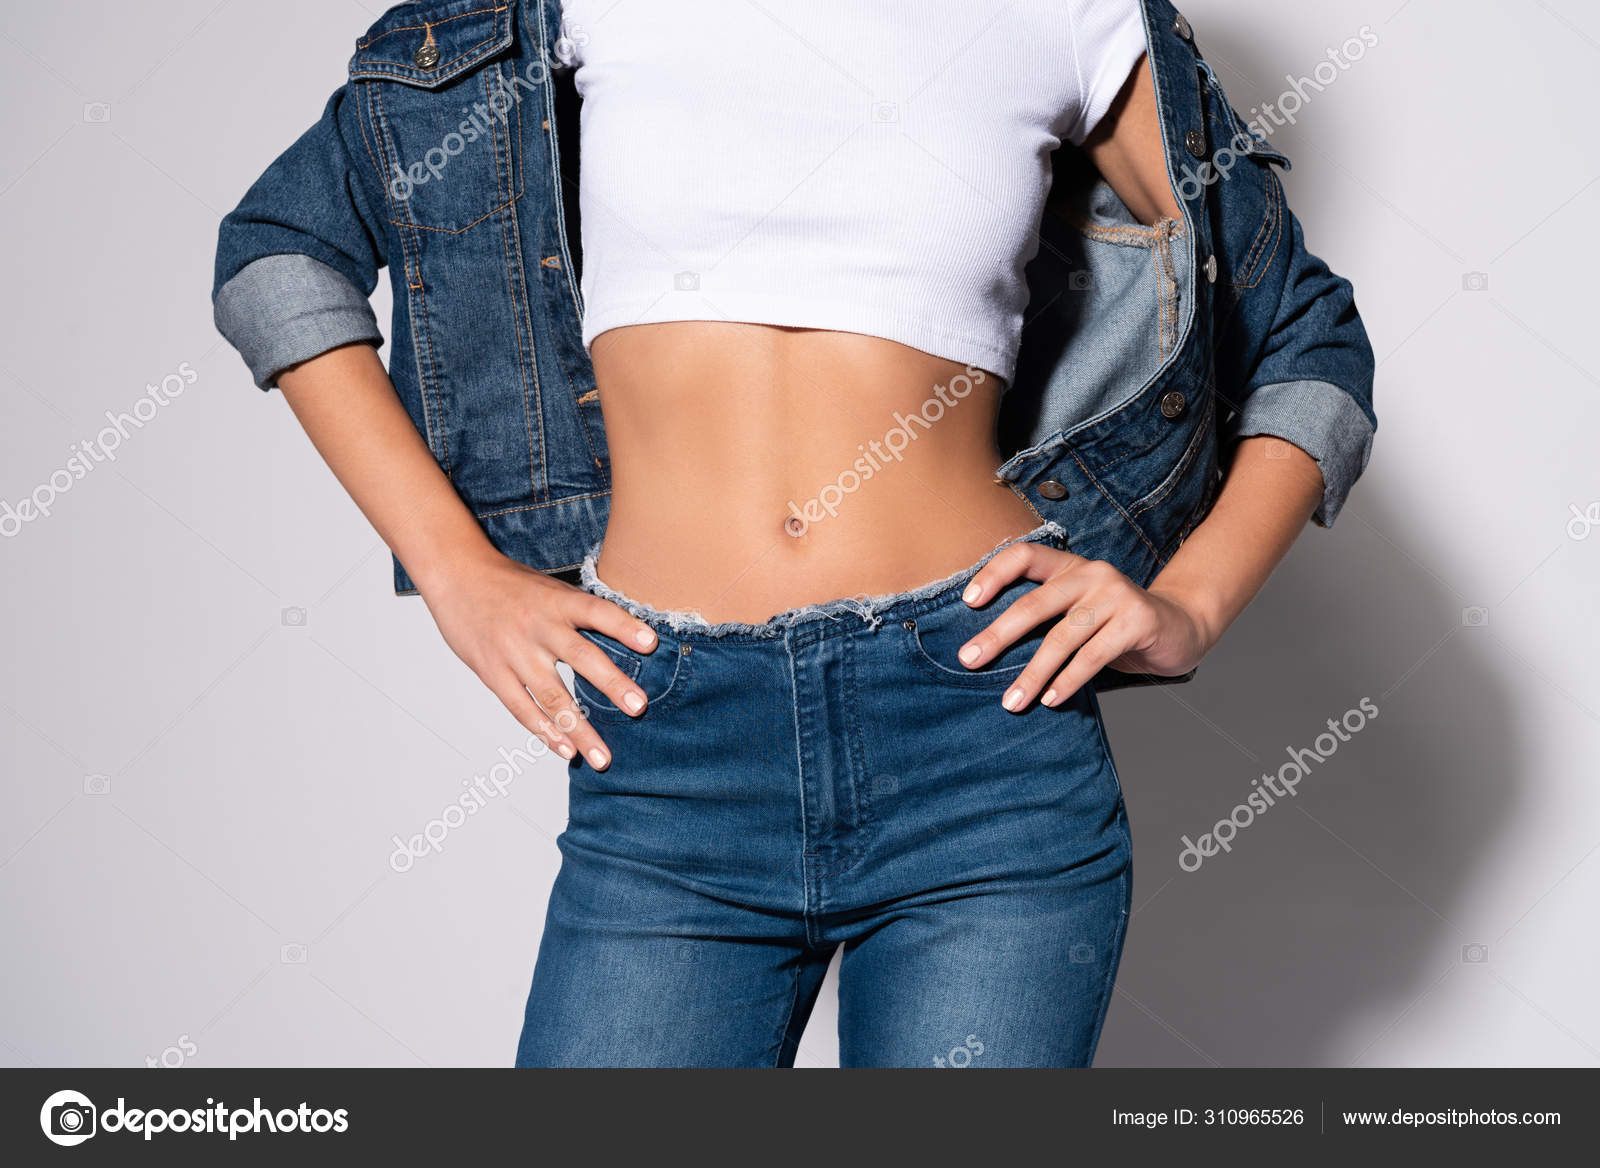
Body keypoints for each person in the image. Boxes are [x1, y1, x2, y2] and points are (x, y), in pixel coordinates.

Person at [213, 0, 1374, 1066]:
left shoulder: (1065, 14)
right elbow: (277, 249)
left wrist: (1190, 606)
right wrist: (457, 571)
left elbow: (1306, 336)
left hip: (981, 741)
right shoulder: (542, 14)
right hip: (669, 751)